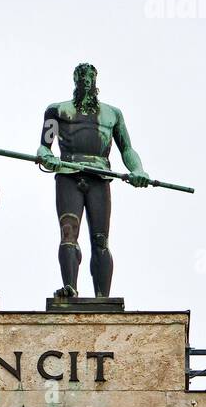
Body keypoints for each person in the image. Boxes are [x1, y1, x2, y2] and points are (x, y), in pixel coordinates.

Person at [37, 63, 149, 299]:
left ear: (95, 81)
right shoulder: (56, 111)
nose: (86, 81)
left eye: (90, 77)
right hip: (69, 174)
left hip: (99, 177)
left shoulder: (112, 114)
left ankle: (103, 298)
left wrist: (139, 170)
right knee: (68, 232)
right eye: (81, 76)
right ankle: (69, 288)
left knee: (100, 239)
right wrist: (47, 157)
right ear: (75, 80)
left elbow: (127, 149)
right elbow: (44, 147)